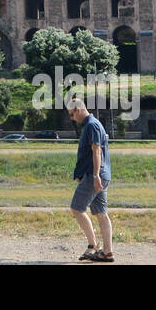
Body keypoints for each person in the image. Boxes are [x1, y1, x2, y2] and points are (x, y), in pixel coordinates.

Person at [65, 96, 114, 261]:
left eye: (72, 115)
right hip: (101, 175)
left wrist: (95, 176)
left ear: (78, 110)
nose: (72, 119)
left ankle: (93, 245)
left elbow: (96, 151)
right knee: (101, 213)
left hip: (94, 176)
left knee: (77, 209)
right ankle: (107, 252)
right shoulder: (94, 124)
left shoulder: (91, 125)